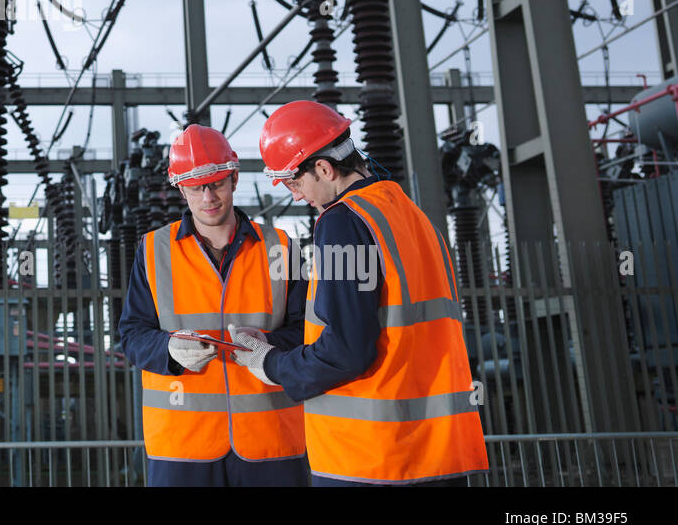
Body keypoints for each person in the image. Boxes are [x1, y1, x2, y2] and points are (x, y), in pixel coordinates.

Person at [229, 100, 488, 486]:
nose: (298, 196)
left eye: (295, 182)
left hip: (370, 456)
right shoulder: (410, 215)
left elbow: (346, 351)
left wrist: (271, 364)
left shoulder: (342, 222)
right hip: (437, 451)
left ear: (323, 168)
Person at [118, 124, 308, 487]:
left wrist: (269, 347)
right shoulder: (154, 250)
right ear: (180, 188)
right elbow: (132, 334)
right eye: (195, 187)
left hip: (271, 439)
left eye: (217, 183)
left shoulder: (282, 247)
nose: (208, 197)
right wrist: (169, 349)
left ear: (234, 179)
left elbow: (307, 330)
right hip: (183, 444)